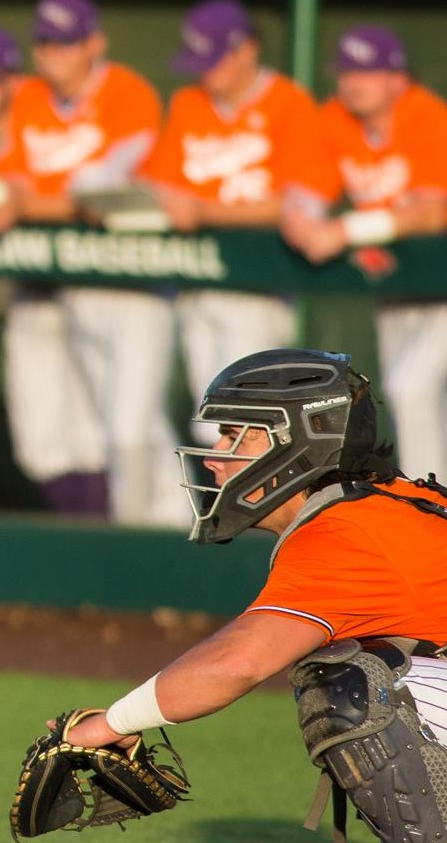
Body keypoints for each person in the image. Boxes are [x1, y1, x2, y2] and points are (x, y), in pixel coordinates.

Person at [56, 348, 447, 843]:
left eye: (234, 435)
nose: (216, 457)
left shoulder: (345, 533)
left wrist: (110, 724)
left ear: (296, 443)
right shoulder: (387, 502)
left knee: (351, 687)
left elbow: (236, 662)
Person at [0, 0, 184, 526]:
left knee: (133, 426)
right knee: (119, 427)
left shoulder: (129, 93)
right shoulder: (29, 98)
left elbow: (103, 191)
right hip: (77, 285)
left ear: (94, 44)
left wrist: (35, 202)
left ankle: (158, 539)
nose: (54, 52)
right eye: (45, 43)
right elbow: (11, 181)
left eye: (66, 42)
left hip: (136, 279)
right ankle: (154, 533)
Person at [0, 25, 108, 511]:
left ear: (14, 79)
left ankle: (111, 547)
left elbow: (72, 193)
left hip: (91, 283)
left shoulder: (39, 112)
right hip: (30, 293)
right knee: (40, 439)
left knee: (96, 431)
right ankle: (79, 542)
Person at [142, 0, 314, 438]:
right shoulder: (188, 103)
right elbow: (162, 185)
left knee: (255, 423)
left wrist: (205, 211)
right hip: (198, 282)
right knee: (211, 428)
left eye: (215, 58)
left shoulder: (288, 103)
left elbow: (296, 203)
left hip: (258, 285)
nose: (206, 71)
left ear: (247, 50)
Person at [279, 26, 447, 477]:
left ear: (397, 78)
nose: (354, 82)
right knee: (403, 391)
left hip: (441, 286)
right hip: (397, 289)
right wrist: (303, 222)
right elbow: (301, 197)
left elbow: (434, 213)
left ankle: (435, 506)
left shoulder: (426, 115)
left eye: (368, 72)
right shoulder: (335, 117)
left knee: (413, 388)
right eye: (347, 71)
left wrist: (346, 229)